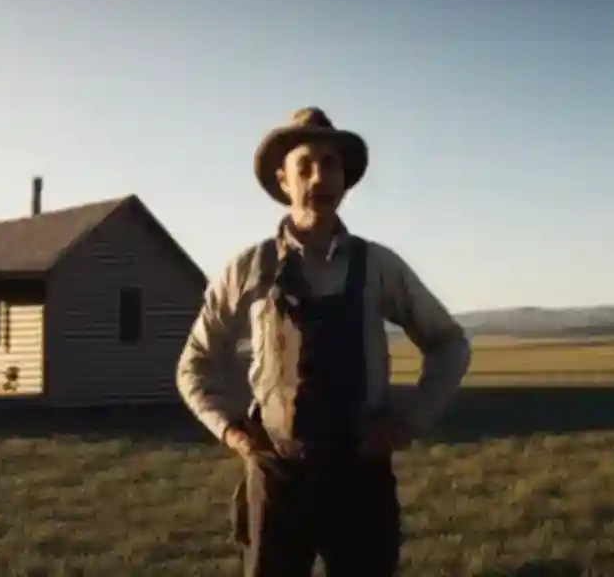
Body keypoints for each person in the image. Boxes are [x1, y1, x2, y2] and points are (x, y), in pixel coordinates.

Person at [175, 107, 472, 576]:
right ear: (283, 180)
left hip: (361, 474)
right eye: (306, 166)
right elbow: (195, 363)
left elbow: (449, 344)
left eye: (331, 164)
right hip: (277, 478)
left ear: (345, 178)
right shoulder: (247, 269)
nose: (320, 177)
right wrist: (231, 430)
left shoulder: (377, 265)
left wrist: (408, 421)